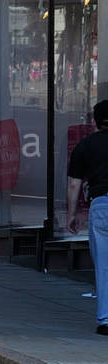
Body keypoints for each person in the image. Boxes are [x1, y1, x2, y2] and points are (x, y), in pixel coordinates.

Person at [67, 98, 108, 335]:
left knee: (103, 266)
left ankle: (105, 320)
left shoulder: (85, 146)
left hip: (101, 205)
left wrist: (72, 215)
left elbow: (74, 185)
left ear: (95, 121)